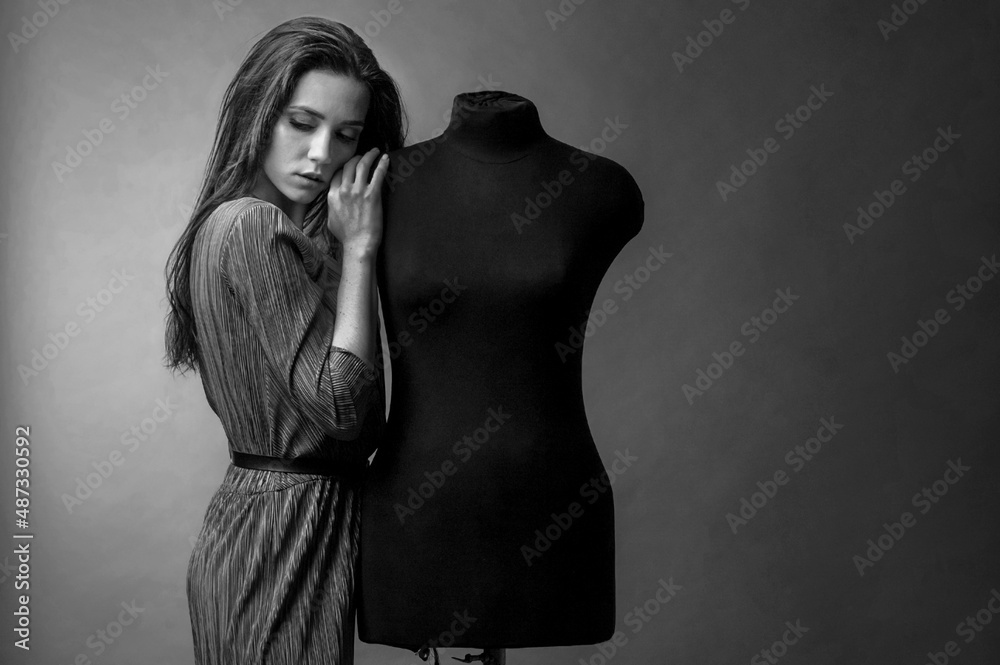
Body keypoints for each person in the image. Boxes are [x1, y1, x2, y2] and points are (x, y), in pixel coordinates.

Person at [162, 16, 405, 664]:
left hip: (269, 530)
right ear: (259, 112)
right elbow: (342, 404)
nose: (323, 154)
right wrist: (359, 250)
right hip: (279, 543)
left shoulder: (238, 226)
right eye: (303, 123)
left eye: (346, 135)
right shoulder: (252, 227)